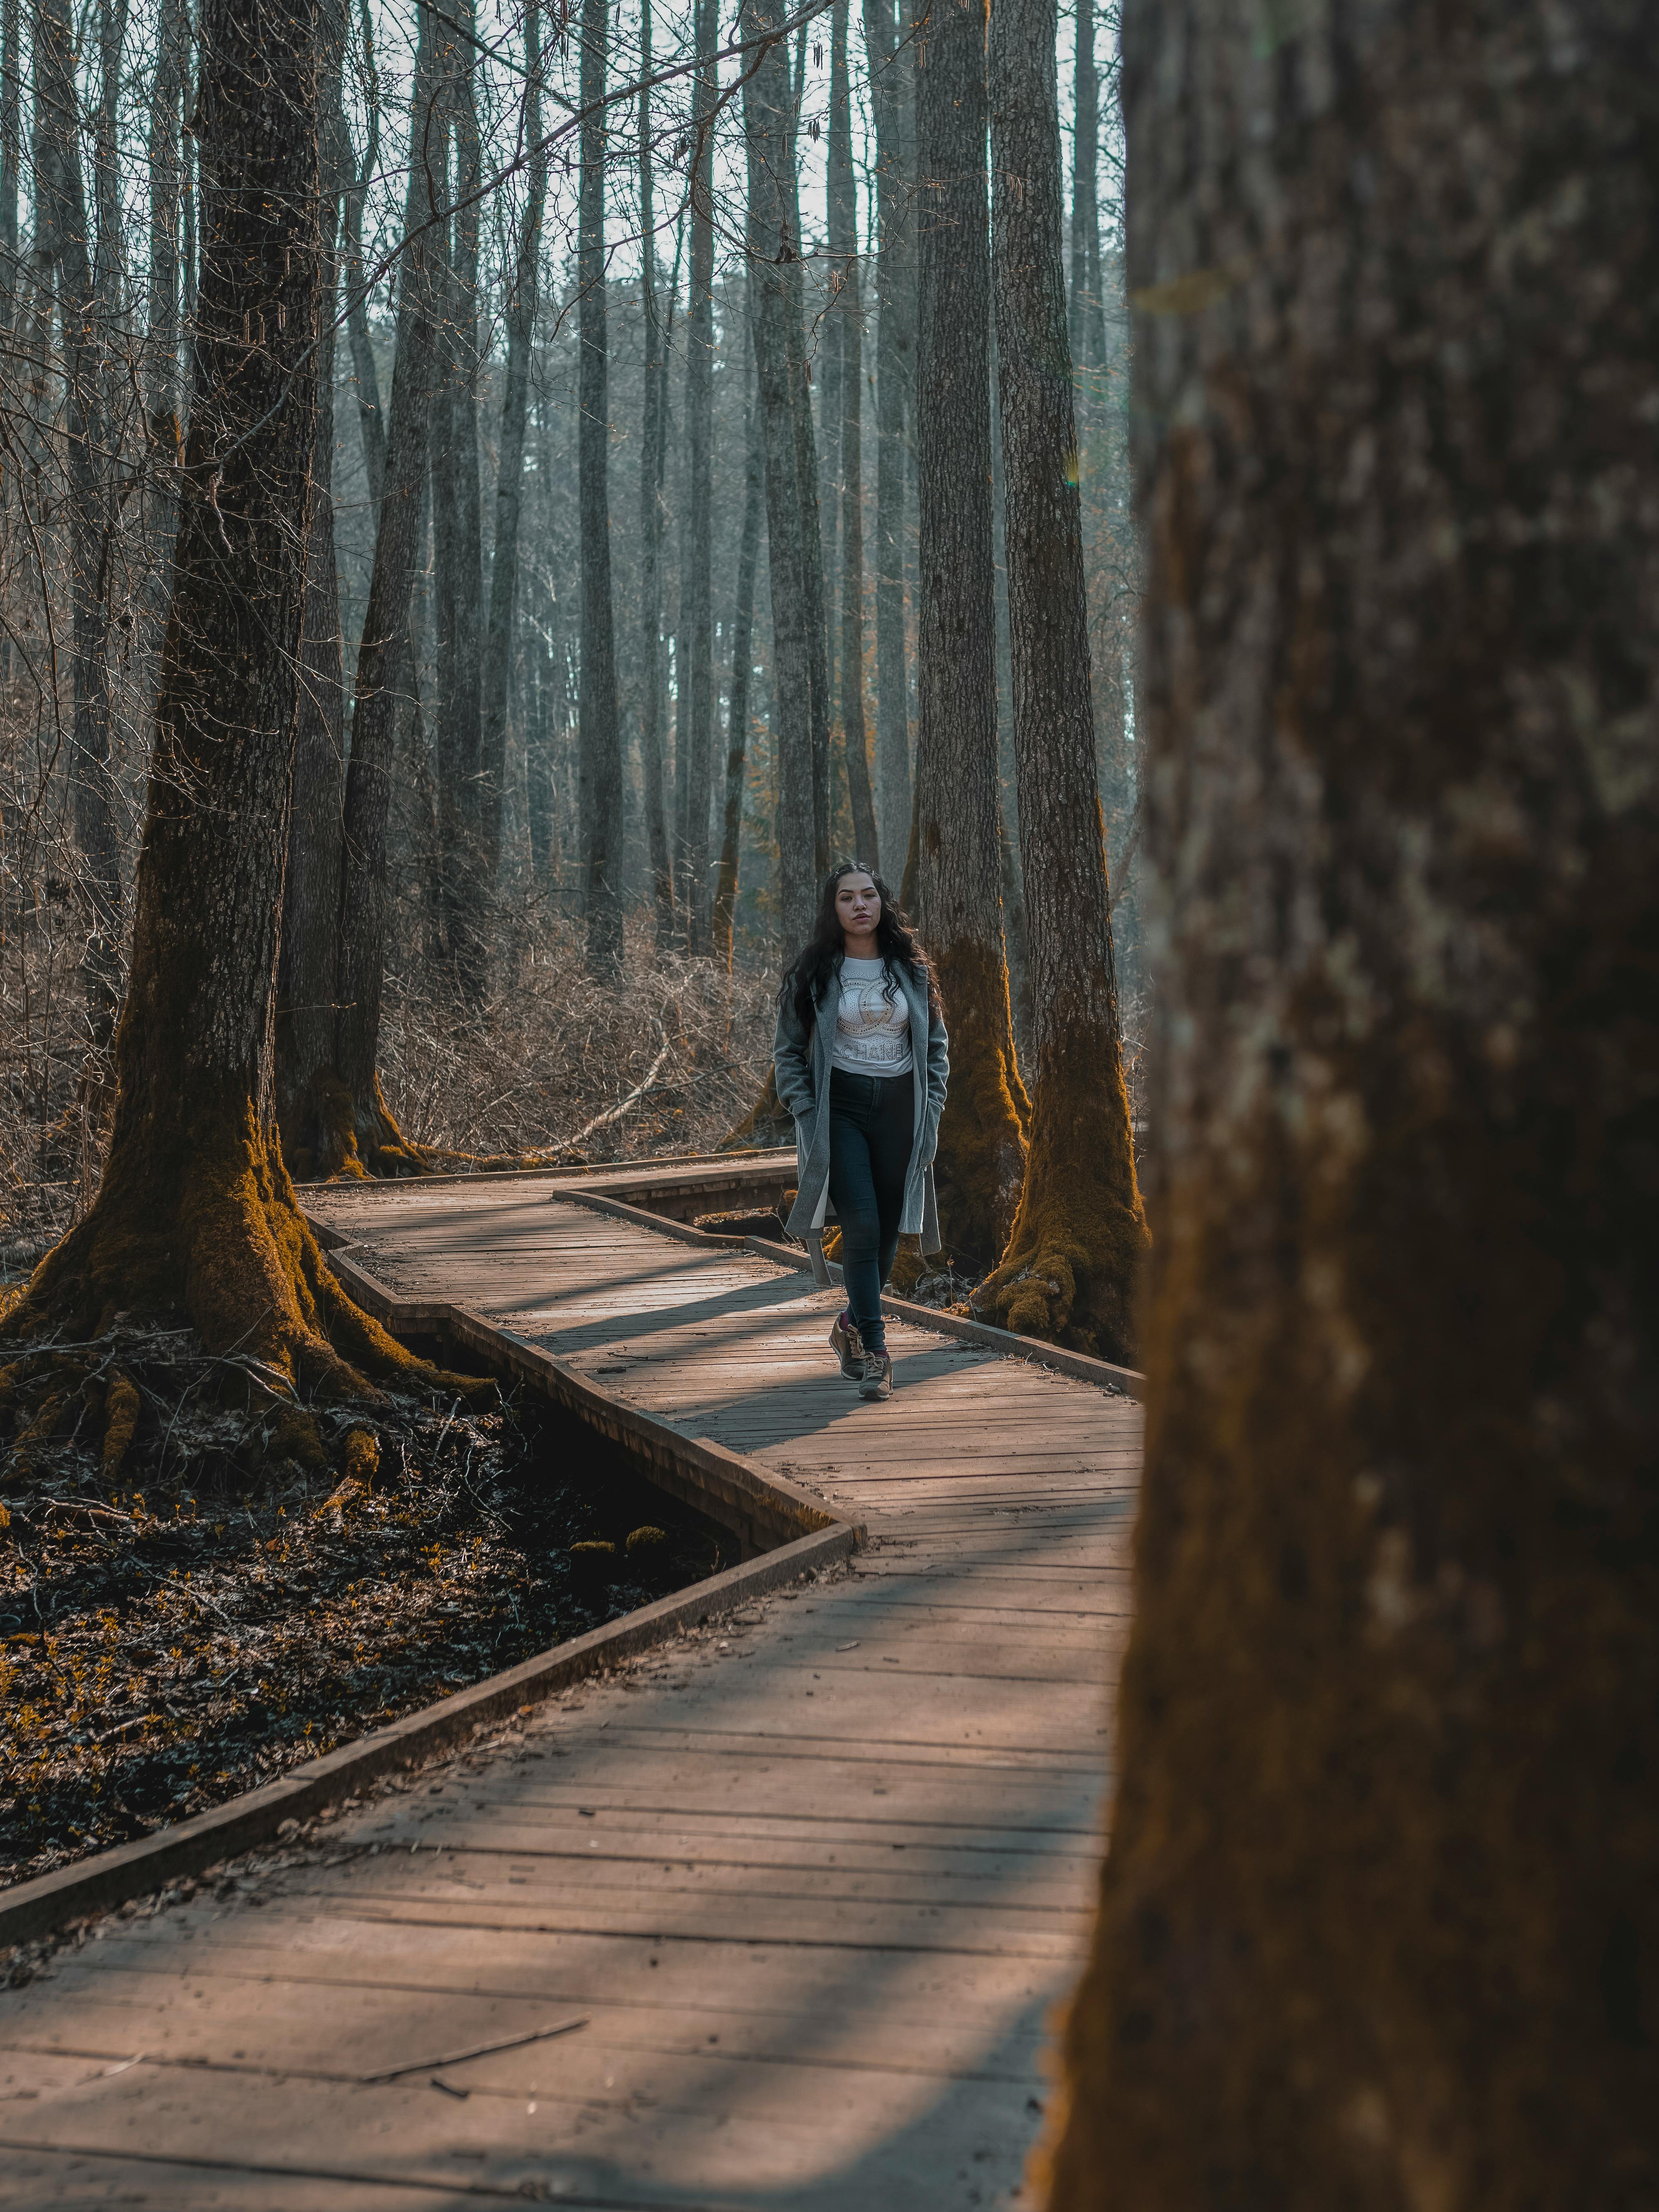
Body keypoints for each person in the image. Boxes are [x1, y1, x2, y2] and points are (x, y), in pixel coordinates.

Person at [773, 862, 949, 1401]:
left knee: (890, 1230)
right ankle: (876, 1353)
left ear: (882, 903)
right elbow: (787, 1053)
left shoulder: (912, 969)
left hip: (900, 1110)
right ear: (835, 910)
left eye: (868, 895)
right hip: (841, 1111)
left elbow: (936, 1050)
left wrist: (932, 1111)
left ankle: (851, 1321)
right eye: (847, 897)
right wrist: (807, 1113)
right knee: (863, 1223)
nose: (860, 905)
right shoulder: (816, 972)